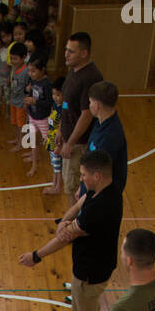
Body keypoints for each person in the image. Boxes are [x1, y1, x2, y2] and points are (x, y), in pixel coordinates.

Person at [19, 149, 123, 311]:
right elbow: (80, 203)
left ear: (97, 175)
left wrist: (36, 255)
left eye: (84, 174)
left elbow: (66, 237)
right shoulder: (107, 189)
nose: (81, 178)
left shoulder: (99, 209)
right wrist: (64, 220)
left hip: (90, 271)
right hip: (100, 266)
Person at [57, 32, 103, 203]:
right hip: (69, 137)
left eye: (71, 51)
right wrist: (61, 129)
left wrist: (70, 142)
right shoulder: (73, 70)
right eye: (66, 50)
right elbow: (67, 104)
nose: (66, 54)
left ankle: (76, 218)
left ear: (84, 53)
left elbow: (86, 114)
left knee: (75, 187)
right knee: (69, 185)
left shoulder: (90, 77)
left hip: (79, 143)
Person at [82, 80, 127, 195]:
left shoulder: (110, 137)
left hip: (99, 195)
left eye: (90, 102)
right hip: (89, 187)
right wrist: (82, 185)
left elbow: (100, 177)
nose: (89, 105)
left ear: (97, 105)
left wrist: (85, 197)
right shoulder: (99, 122)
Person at [22, 54, 53, 176]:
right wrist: (28, 102)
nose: (30, 74)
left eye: (33, 71)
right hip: (32, 116)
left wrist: (35, 102)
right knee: (33, 141)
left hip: (43, 118)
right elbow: (30, 93)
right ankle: (34, 166)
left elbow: (49, 103)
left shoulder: (47, 84)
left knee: (49, 143)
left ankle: (55, 166)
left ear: (42, 69)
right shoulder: (33, 80)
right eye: (29, 71)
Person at [44, 77, 65, 194]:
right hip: (51, 139)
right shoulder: (55, 105)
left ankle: (58, 187)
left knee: (58, 166)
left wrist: (59, 145)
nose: (55, 97)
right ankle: (54, 184)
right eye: (53, 94)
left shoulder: (64, 108)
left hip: (57, 142)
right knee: (54, 165)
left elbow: (62, 126)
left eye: (58, 95)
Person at [8, 41, 30, 151]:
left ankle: (21, 143)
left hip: (21, 103)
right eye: (11, 58)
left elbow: (29, 89)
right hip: (14, 101)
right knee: (15, 122)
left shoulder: (26, 71)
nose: (13, 61)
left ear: (23, 57)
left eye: (15, 59)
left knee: (21, 124)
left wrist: (26, 102)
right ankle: (17, 139)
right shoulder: (14, 68)